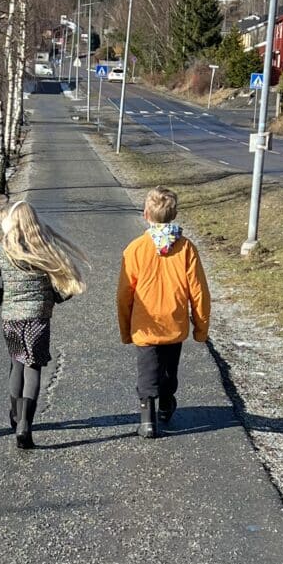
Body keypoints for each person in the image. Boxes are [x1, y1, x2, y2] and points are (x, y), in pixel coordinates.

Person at [0, 201, 87, 451]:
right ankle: (26, 423)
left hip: (12, 319)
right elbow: (68, 282)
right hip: (38, 318)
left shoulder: (3, 250)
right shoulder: (45, 247)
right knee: (33, 367)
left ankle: (15, 415)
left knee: (16, 362)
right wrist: (54, 298)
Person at [116, 186, 210, 439]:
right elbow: (199, 291)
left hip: (145, 324)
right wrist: (201, 329)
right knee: (169, 368)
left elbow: (124, 295)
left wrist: (126, 330)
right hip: (174, 322)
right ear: (175, 214)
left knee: (147, 370)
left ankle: (147, 419)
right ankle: (167, 402)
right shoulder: (187, 248)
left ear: (146, 213)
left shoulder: (135, 249)